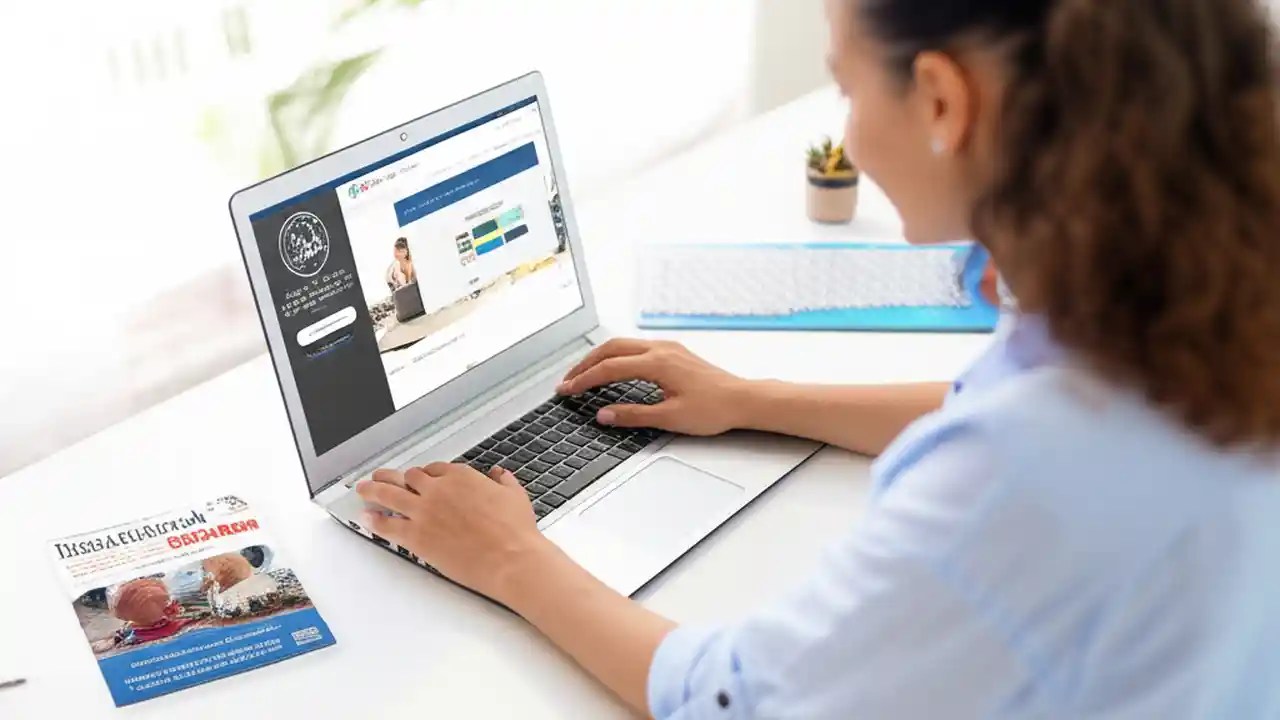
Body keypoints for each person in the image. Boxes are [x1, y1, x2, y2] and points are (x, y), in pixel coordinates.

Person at [356, 0, 1280, 716]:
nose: (848, 132)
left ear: (944, 102)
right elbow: (995, 395)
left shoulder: (1019, 475)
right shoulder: (1205, 289)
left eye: (847, 86)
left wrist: (512, 556)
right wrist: (752, 398)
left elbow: (734, 699)